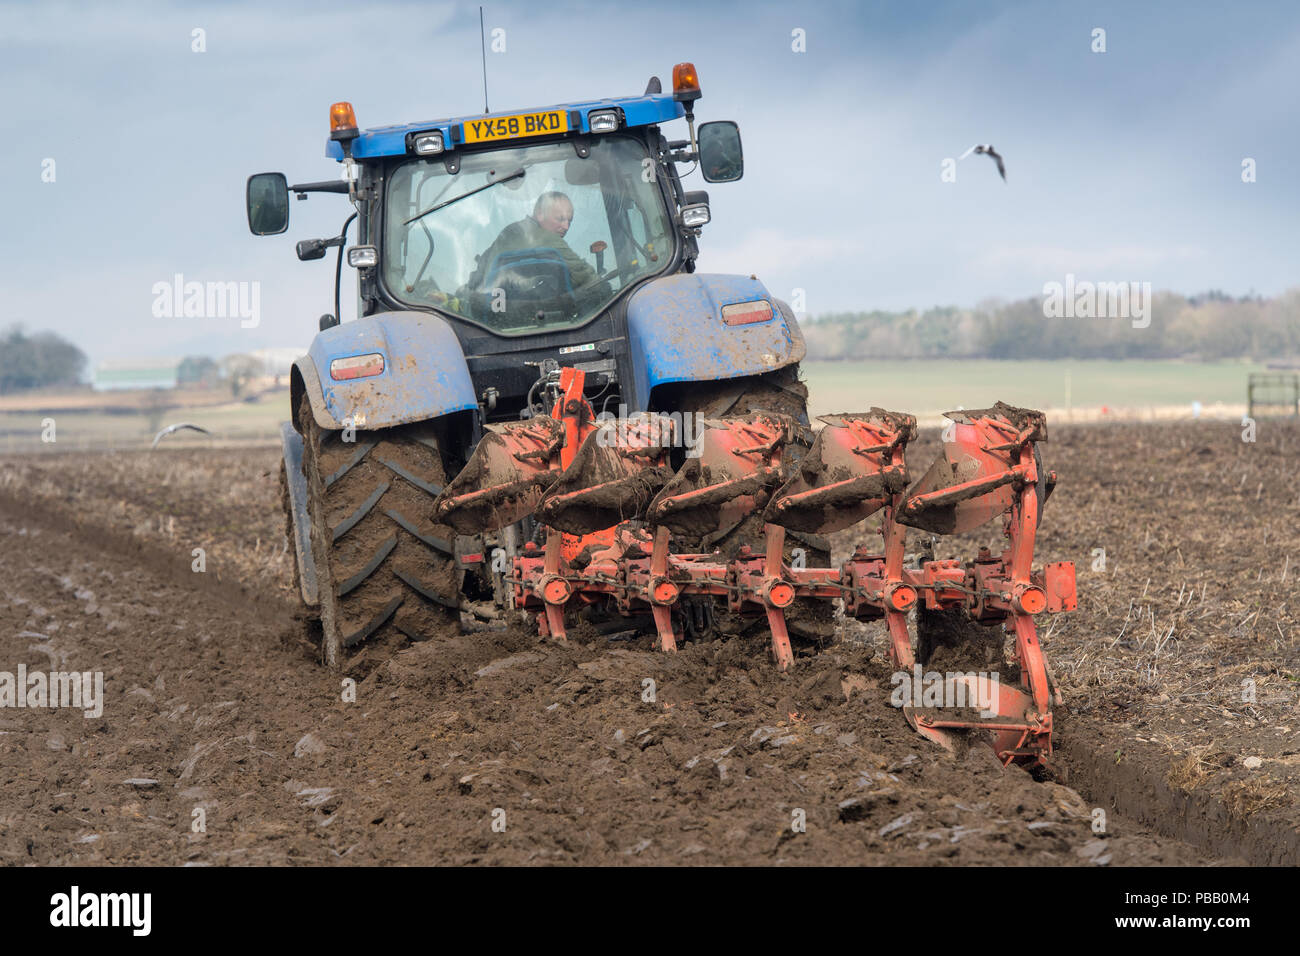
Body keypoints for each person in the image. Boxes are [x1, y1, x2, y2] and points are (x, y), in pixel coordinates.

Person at [463, 192, 608, 313]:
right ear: (539, 214)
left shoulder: (507, 233)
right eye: (560, 219)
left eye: (569, 221)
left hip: (498, 319)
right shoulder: (550, 241)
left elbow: (478, 278)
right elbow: (589, 281)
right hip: (542, 318)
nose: (566, 226)